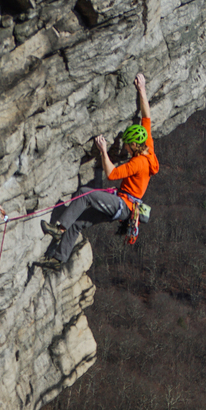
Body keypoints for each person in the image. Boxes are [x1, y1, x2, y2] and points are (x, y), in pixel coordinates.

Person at [38, 73, 158, 268]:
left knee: (85, 194)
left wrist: (103, 151)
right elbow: (146, 117)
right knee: (79, 222)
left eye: (127, 145)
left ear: (135, 145)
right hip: (124, 208)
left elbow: (112, 174)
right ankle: (59, 259)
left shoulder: (138, 163)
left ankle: (59, 229)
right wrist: (141, 89)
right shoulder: (148, 149)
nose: (124, 148)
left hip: (122, 205)